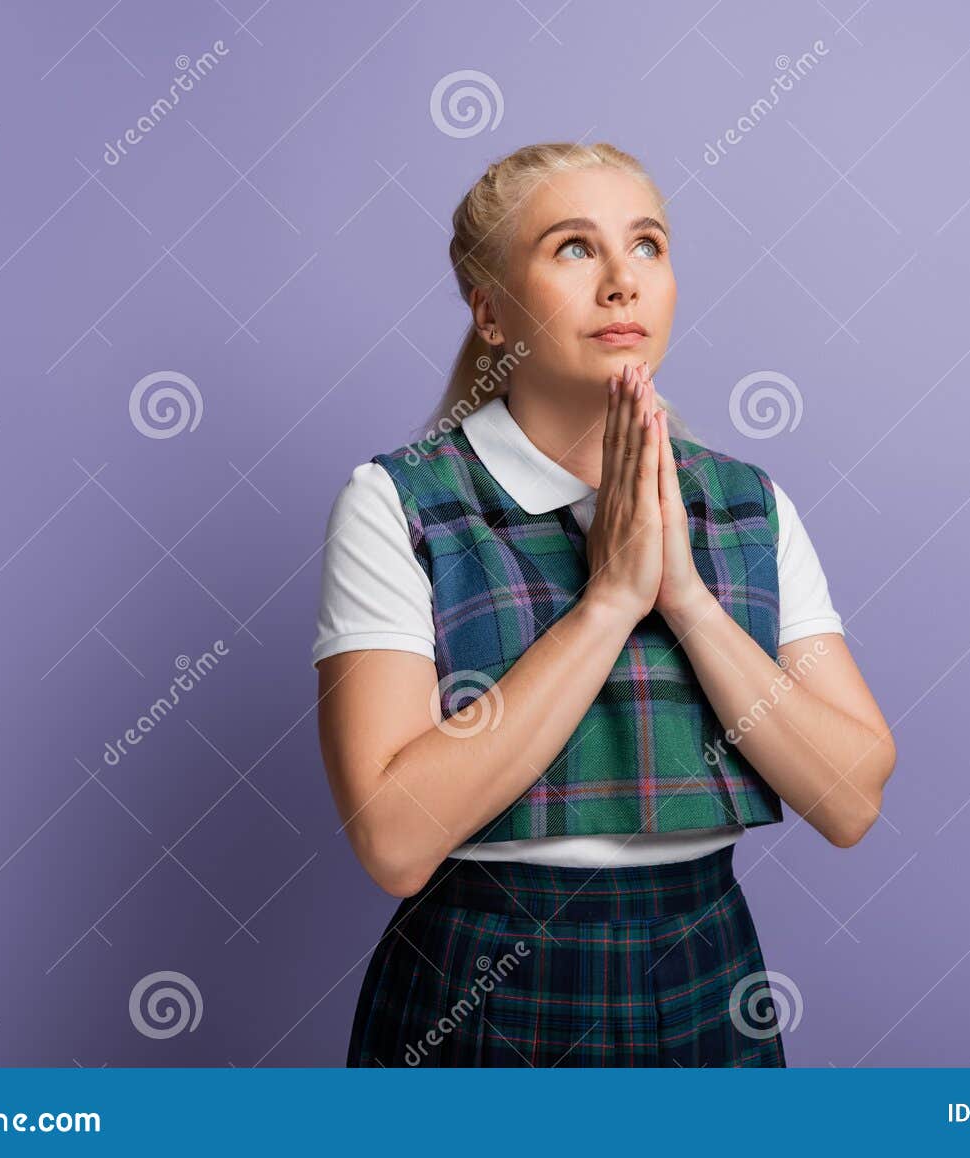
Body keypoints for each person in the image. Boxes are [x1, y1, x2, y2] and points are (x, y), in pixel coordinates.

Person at [312, 141, 896, 1067]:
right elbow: (394, 842)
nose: (623, 281)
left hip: (706, 965)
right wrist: (608, 603)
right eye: (574, 248)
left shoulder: (748, 504)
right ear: (492, 312)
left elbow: (851, 796)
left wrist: (689, 602)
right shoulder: (399, 504)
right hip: (476, 991)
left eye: (649, 246)